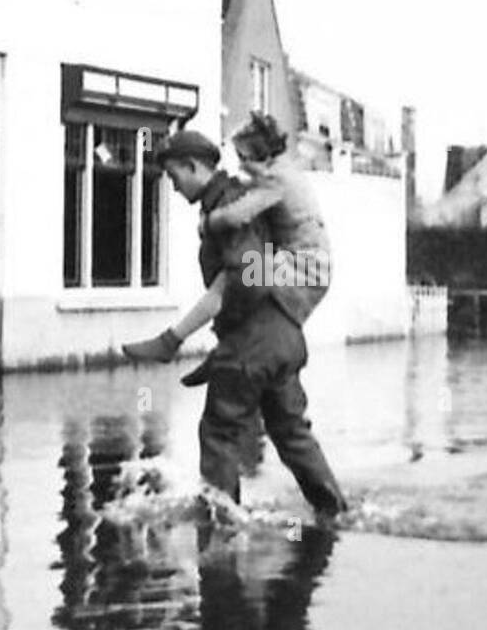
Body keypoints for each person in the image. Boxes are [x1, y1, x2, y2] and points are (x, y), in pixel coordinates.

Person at [122, 128, 347, 520]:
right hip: (284, 332)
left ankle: (220, 532)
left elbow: (249, 274)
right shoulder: (242, 195)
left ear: (193, 167)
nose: (173, 189)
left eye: (175, 177)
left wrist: (213, 343)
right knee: (290, 432)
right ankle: (334, 513)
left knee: (219, 432)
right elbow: (253, 272)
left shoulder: (228, 205)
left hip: (256, 335)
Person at [122, 111, 330, 360]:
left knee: (234, 279)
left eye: (243, 158)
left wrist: (209, 223)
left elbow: (237, 215)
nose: (241, 166)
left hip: (305, 265)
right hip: (309, 264)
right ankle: (220, 352)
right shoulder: (282, 174)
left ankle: (174, 341)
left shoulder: (275, 180)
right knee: (249, 289)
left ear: (260, 155)